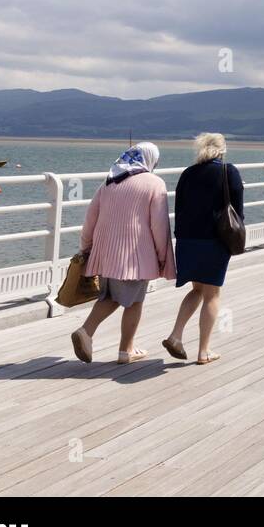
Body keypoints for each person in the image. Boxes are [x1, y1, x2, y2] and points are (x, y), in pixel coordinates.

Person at [71, 142, 175, 364]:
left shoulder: (110, 182)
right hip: (135, 255)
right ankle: (89, 332)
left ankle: (124, 349)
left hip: (105, 251)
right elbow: (159, 226)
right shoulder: (154, 183)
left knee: (111, 295)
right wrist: (162, 255)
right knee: (133, 300)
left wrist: (86, 248)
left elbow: (90, 220)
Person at [162, 133, 244, 365]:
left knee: (197, 289)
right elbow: (238, 210)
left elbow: (179, 207)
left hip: (188, 240)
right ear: (222, 149)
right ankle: (203, 351)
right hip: (215, 241)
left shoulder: (188, 174)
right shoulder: (229, 172)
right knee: (212, 294)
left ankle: (176, 335)